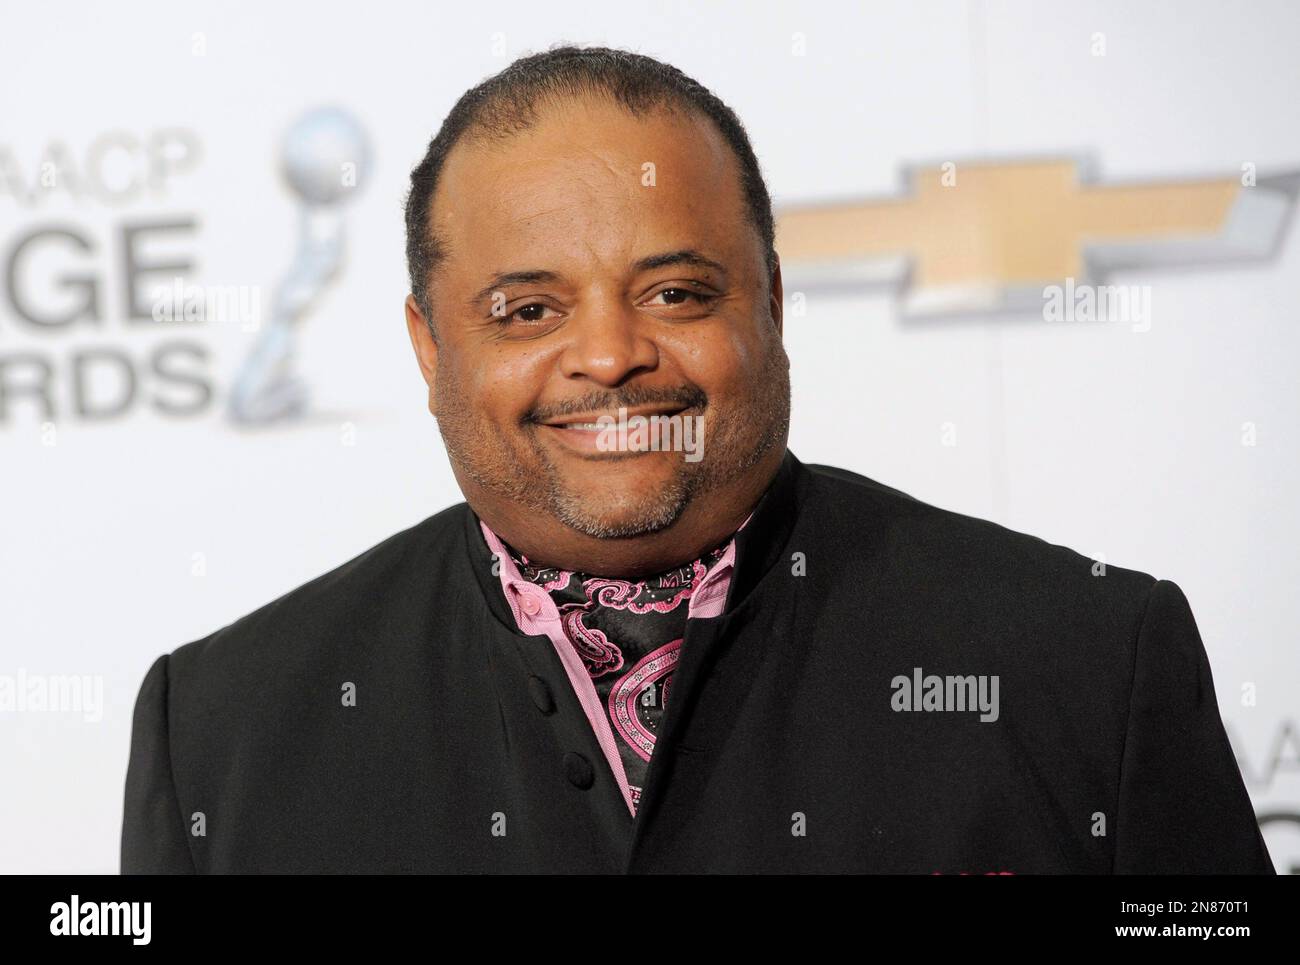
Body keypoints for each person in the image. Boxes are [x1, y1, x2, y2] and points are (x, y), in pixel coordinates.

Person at [121, 45, 1274, 874]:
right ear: (429, 343)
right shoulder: (222, 728)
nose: (612, 355)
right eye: (526, 309)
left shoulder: (1086, 657)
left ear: (770, 300)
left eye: (675, 292)